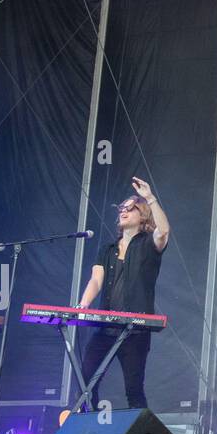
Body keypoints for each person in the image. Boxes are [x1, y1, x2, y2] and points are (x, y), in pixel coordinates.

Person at [75, 176, 170, 410]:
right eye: (122, 208)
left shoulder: (148, 244)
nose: (124, 211)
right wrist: (83, 304)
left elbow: (164, 231)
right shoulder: (107, 249)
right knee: (86, 382)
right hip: (105, 328)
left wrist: (149, 198)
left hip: (134, 330)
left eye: (131, 208)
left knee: (133, 389)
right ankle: (89, 433)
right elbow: (96, 280)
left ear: (142, 215)